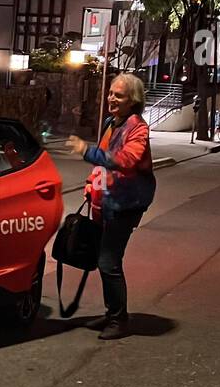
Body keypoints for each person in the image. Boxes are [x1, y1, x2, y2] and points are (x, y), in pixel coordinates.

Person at [66, 74, 156, 340]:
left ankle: (119, 320)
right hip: (104, 199)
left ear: (133, 101)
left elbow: (125, 160)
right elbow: (103, 162)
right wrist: (90, 183)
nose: (111, 99)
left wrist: (87, 151)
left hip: (125, 203)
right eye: (111, 93)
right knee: (105, 260)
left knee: (109, 261)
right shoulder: (111, 123)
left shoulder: (138, 127)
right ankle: (112, 313)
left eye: (119, 95)